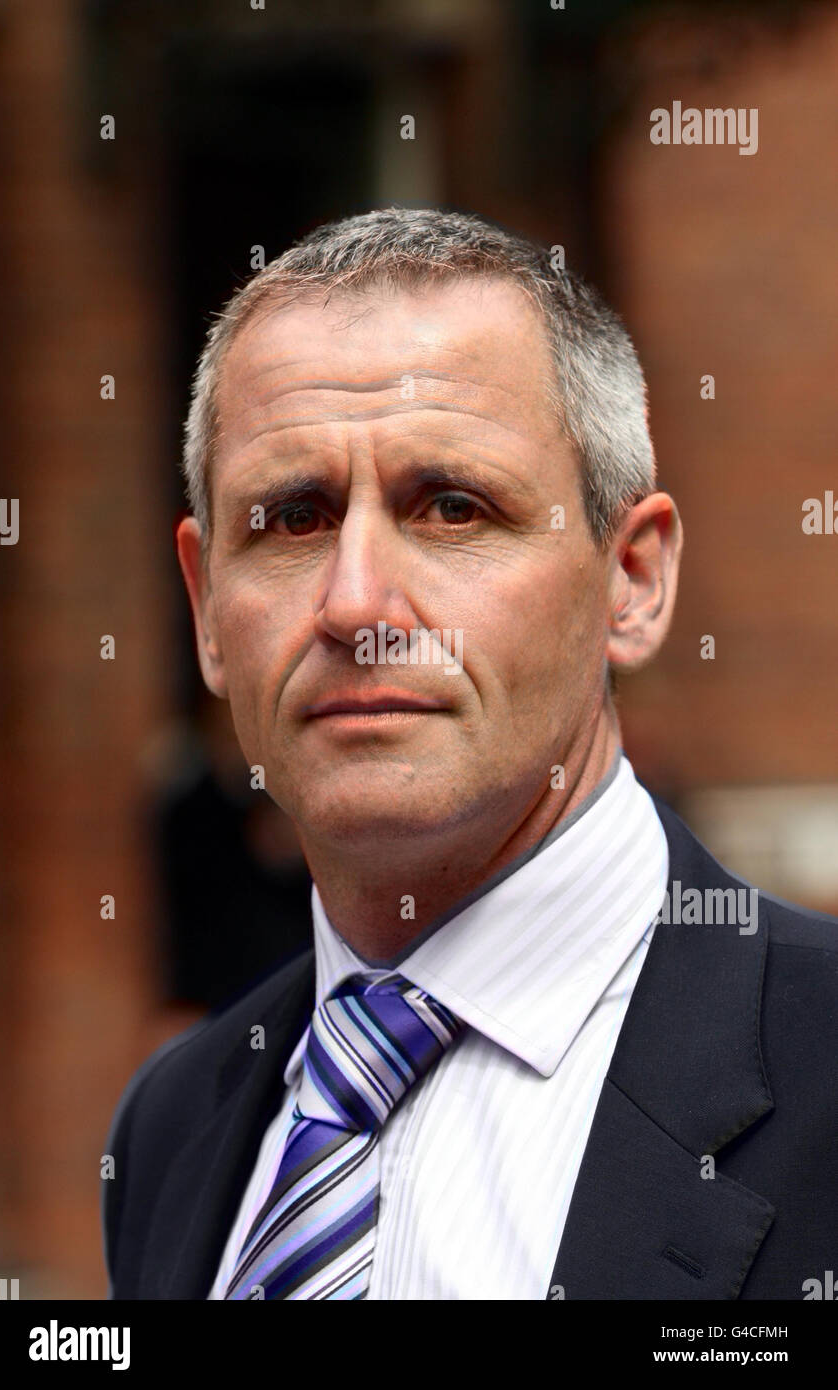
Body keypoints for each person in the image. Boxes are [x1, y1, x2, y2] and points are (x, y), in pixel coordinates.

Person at [101, 207, 838, 1300]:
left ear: (631, 580)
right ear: (206, 607)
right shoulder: (171, 1127)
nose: (357, 604)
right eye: (292, 518)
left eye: (451, 507)